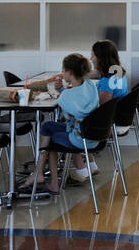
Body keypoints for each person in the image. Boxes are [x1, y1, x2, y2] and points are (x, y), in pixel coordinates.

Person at [24, 53, 101, 194]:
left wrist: (60, 92)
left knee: (51, 141)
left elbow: (68, 115)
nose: (62, 73)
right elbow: (77, 104)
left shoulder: (66, 96)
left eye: (63, 70)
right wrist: (62, 90)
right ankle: (38, 173)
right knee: (47, 126)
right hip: (94, 135)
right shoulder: (90, 85)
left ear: (70, 73)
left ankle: (52, 183)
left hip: (79, 138)